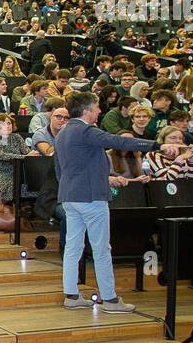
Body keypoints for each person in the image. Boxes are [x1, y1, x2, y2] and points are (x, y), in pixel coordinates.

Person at [53, 91, 179, 314]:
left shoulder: (63, 133)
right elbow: (119, 141)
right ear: (86, 111)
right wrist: (158, 146)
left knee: (74, 247)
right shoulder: (85, 130)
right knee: (102, 249)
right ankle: (110, 299)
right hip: (91, 197)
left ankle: (71, 295)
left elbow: (65, 168)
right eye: (97, 107)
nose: (100, 111)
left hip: (70, 196)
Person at [0, 113, 33, 203]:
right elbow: (0, 155)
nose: (8, 126)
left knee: (32, 184)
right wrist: (24, 157)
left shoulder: (17, 137)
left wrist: (34, 154)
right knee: (12, 187)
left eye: (9, 123)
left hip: (17, 172)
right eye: (3, 124)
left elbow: (27, 152)